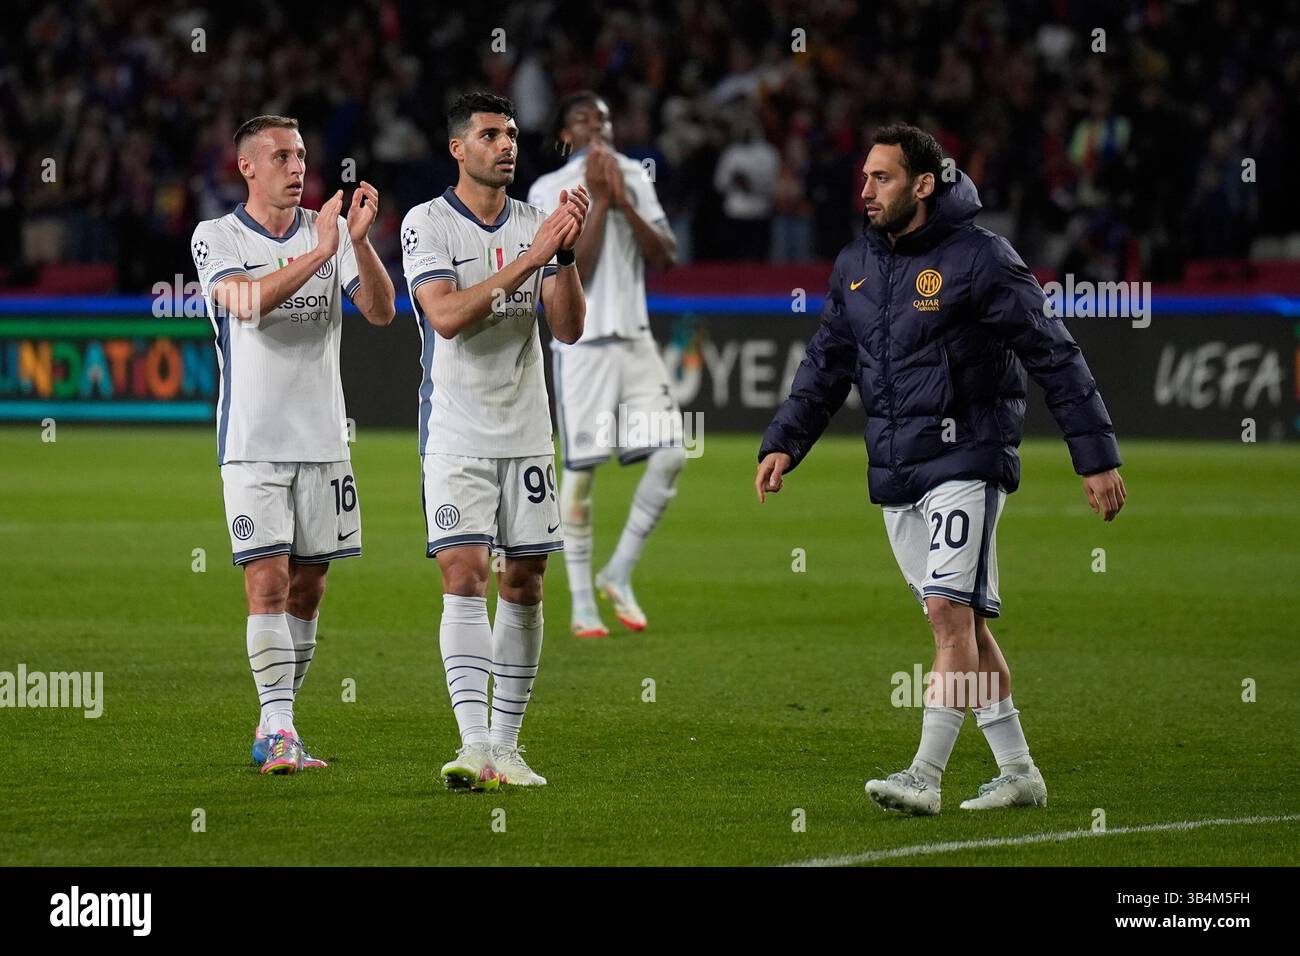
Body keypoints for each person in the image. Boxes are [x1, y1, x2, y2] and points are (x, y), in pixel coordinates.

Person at [756, 123, 1126, 815]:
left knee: (949, 613)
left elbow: (1053, 353)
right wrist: (785, 439)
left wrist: (1096, 456)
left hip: (968, 457)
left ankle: (925, 774)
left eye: (883, 178)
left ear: (923, 185)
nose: (865, 190)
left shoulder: (982, 259)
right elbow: (827, 363)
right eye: (865, 177)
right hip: (896, 469)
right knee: (963, 624)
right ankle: (1019, 772)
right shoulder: (855, 265)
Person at [190, 115, 395, 775]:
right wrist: (320, 252)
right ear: (246, 166)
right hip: (252, 444)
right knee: (269, 580)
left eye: (302, 154)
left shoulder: (328, 232)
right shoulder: (216, 236)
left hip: (324, 442)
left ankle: (275, 722)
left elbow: (384, 312)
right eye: (281, 155)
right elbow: (245, 303)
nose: (297, 165)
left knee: (308, 588)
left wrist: (357, 246)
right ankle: (280, 732)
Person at [401, 92, 589, 790]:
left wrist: (561, 255)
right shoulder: (427, 224)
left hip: (527, 430)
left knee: (525, 581)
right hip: (454, 431)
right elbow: (445, 315)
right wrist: (531, 257)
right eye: (489, 134)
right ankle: (473, 743)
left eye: (511, 133)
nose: (507, 144)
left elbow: (566, 328)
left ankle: (507, 749)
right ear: (458, 148)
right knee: (465, 574)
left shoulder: (539, 224)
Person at [527, 91, 683, 638]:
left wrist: (623, 201)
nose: (596, 125)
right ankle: (580, 603)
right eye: (582, 118)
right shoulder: (547, 190)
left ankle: (617, 571)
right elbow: (575, 270)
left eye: (605, 117)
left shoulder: (634, 176)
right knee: (581, 473)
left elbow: (665, 255)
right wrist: (595, 200)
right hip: (582, 347)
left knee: (669, 457)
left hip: (635, 339)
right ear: (564, 134)